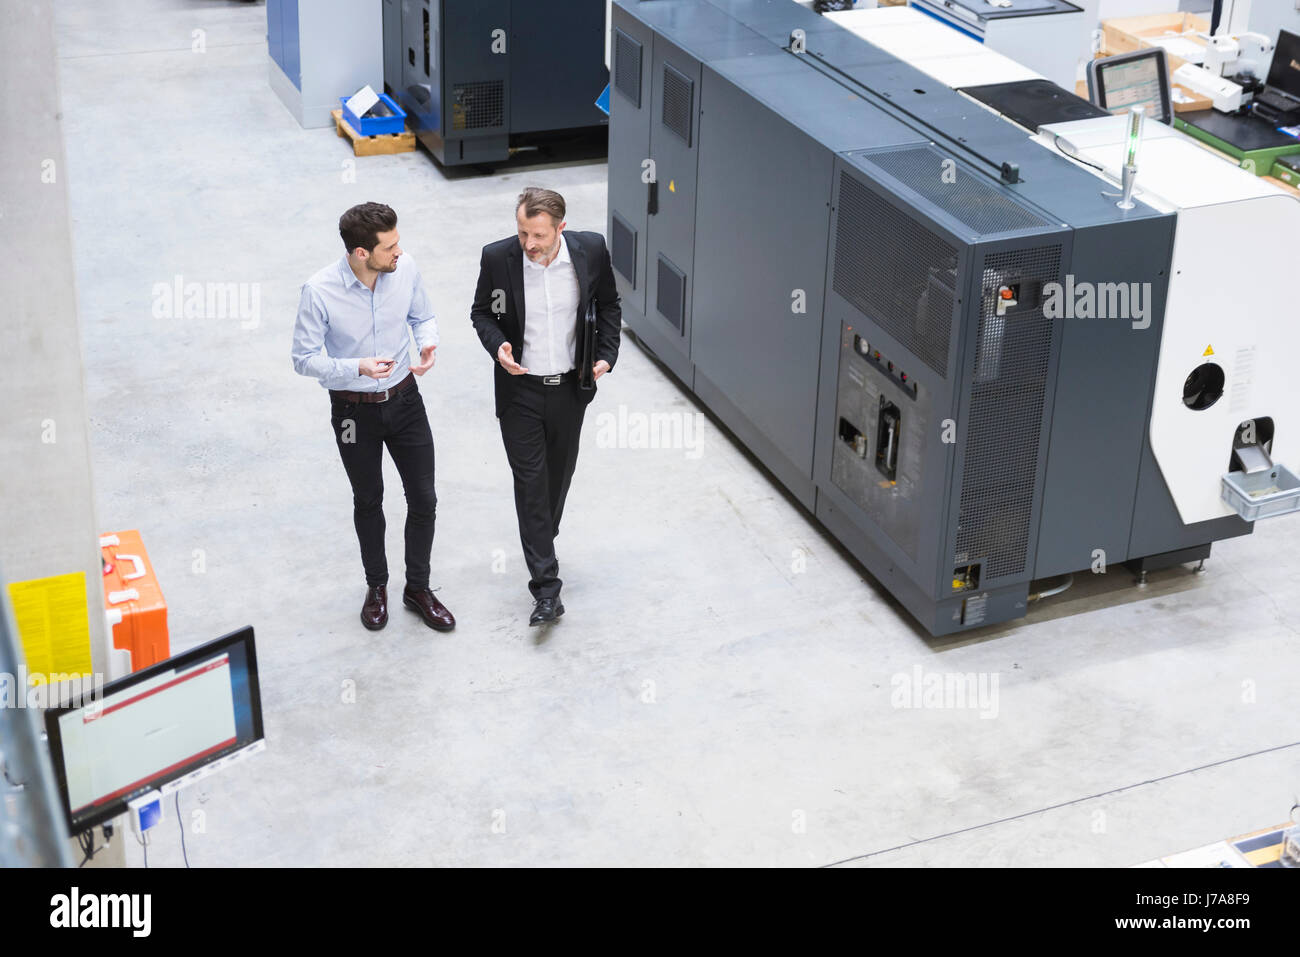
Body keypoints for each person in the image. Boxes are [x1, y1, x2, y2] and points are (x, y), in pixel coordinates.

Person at [291, 202, 455, 634]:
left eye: (398, 242)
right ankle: (377, 587)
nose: (399, 252)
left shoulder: (406, 268)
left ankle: (418, 588)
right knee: (369, 500)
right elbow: (303, 360)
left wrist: (427, 345)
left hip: (405, 400)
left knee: (424, 498)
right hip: (352, 411)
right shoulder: (319, 291)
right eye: (389, 247)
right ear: (361, 253)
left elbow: (424, 317)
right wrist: (355, 367)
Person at [470, 187, 621, 625]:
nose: (529, 244)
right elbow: (482, 312)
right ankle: (547, 589)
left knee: (558, 479)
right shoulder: (498, 258)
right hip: (520, 391)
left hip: (571, 389)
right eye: (522, 233)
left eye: (537, 235)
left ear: (561, 228)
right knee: (531, 483)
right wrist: (498, 345)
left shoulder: (590, 250)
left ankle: (541, 538)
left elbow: (608, 304)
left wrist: (606, 354)